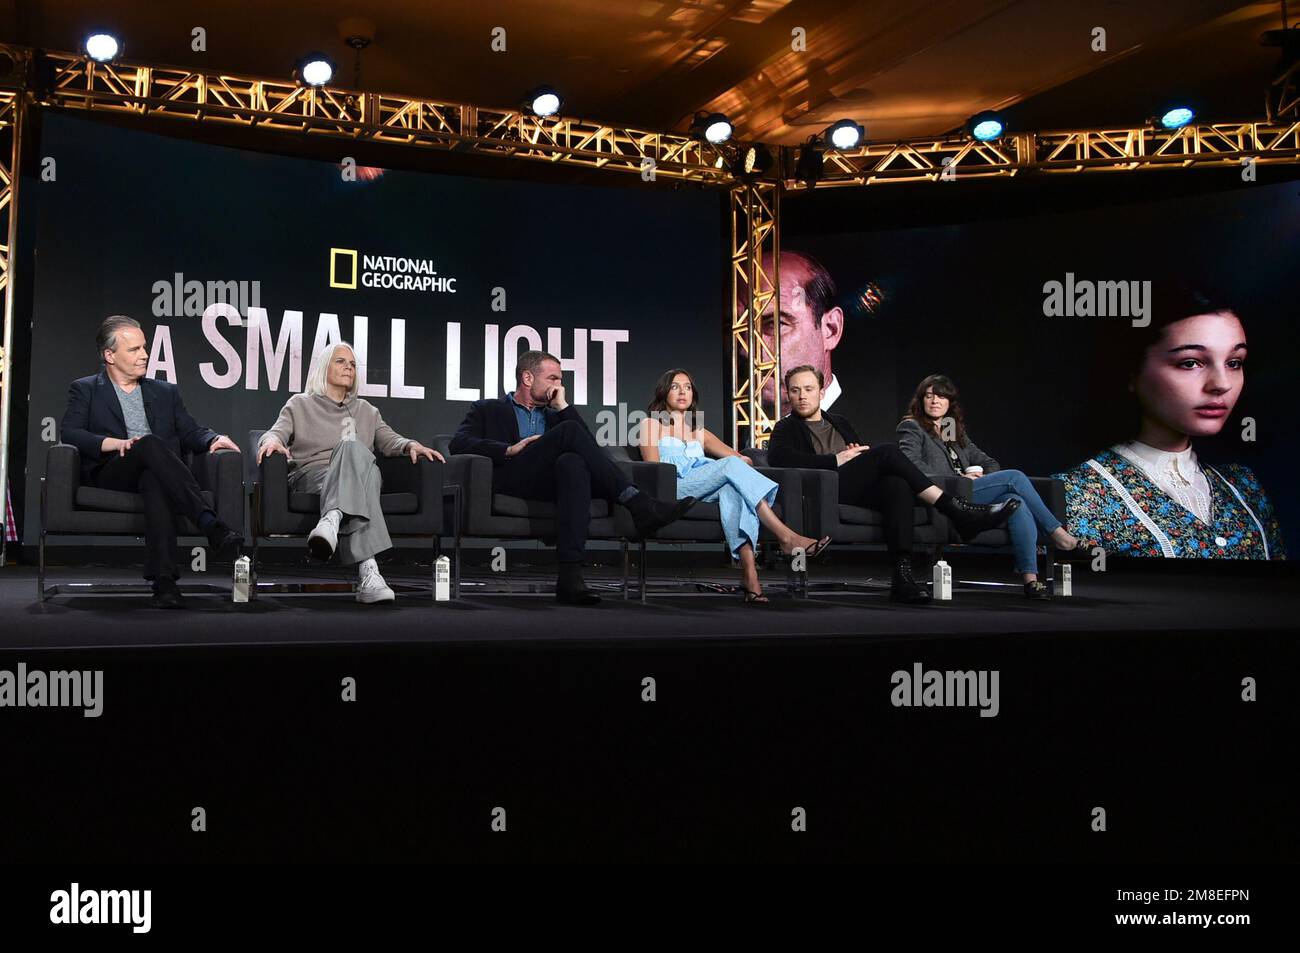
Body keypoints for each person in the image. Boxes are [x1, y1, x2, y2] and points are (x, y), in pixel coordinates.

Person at [1053, 287, 1285, 560]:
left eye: (1234, 362)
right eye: (1190, 363)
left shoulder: (1244, 488)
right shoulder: (1073, 494)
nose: (1222, 384)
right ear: (1132, 371)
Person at [450, 350, 696, 605]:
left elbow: (590, 448)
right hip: (512, 477)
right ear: (527, 378)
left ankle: (570, 577)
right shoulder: (488, 408)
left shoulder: (557, 414)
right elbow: (459, 443)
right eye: (553, 379)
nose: (559, 386)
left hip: (549, 483)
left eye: (561, 380)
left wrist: (564, 408)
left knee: (574, 463)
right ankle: (638, 503)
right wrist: (508, 449)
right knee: (569, 433)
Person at [768, 365, 1021, 603]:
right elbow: (780, 457)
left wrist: (854, 455)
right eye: (795, 390)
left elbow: (860, 452)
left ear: (821, 392)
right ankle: (954, 507)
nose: (802, 396)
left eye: (809, 389)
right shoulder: (785, 427)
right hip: (825, 489)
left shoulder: (840, 422)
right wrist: (836, 459)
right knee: (888, 453)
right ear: (788, 394)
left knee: (896, 484)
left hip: (854, 484)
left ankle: (903, 577)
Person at [60, 315, 243, 609]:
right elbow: (70, 432)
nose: (144, 355)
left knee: (154, 477)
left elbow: (190, 430)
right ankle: (210, 524)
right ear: (109, 355)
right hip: (113, 472)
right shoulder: (86, 389)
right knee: (148, 444)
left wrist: (212, 439)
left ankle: (165, 583)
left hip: (157, 473)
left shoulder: (164, 392)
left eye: (144, 347)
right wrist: (116, 444)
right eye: (134, 350)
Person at [256, 342, 445, 603]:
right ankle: (368, 571)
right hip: (314, 476)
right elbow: (275, 433)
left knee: (355, 450)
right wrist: (270, 442)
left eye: (353, 364)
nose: (349, 367)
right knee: (356, 458)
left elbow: (390, 440)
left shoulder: (367, 410)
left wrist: (410, 445)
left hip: (360, 475)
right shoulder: (300, 404)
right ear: (324, 368)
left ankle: (332, 518)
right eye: (341, 362)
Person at [640, 369, 831, 604]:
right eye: (675, 386)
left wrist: (742, 462)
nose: (682, 392)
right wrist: (733, 465)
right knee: (730, 468)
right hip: (674, 485)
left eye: (688, 387)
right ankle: (786, 536)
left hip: (706, 484)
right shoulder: (650, 424)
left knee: (735, 490)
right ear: (663, 392)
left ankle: (750, 577)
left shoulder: (698, 432)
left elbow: (741, 459)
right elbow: (653, 468)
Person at [897, 374, 1087, 599]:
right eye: (929, 396)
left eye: (941, 396)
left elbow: (989, 462)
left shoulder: (952, 429)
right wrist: (959, 478)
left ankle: (1031, 581)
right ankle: (1060, 536)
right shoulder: (912, 426)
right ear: (921, 401)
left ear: (950, 402)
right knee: (1015, 477)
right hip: (944, 494)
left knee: (1017, 503)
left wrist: (981, 474)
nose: (935, 401)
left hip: (969, 491)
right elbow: (910, 465)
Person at [755, 251, 846, 410]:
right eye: (730, 330)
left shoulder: (871, 427)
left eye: (775, 325)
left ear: (831, 329)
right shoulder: (707, 427)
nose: (745, 349)